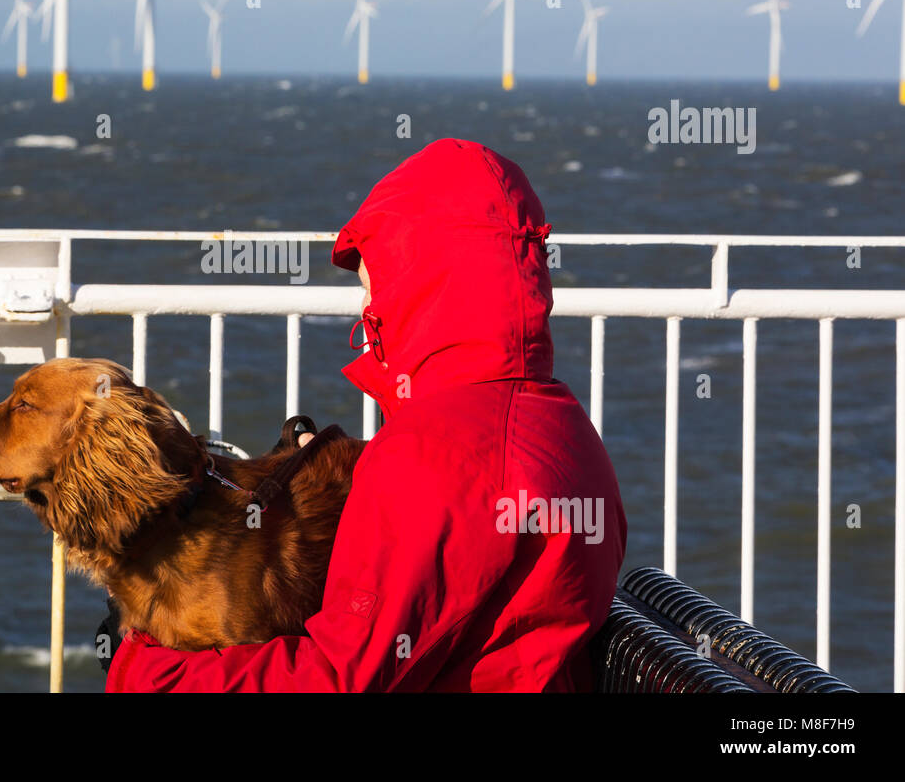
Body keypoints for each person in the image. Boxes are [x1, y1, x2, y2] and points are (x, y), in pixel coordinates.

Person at [104, 137, 627, 691]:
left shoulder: (430, 454)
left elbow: (341, 679)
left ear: (421, 282)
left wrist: (148, 671)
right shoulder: (569, 430)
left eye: (374, 285)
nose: (367, 310)